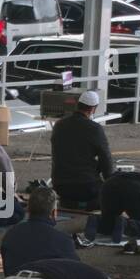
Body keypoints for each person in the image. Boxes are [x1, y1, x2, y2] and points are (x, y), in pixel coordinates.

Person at [52, 90, 113, 223]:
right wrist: (112, 183)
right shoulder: (94, 129)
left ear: (78, 105)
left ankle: (73, 204)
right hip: (86, 186)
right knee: (110, 195)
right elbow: (106, 159)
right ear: (93, 109)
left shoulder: (59, 125)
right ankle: (88, 207)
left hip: (60, 185)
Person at [0, 187, 77, 275]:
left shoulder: (10, 235)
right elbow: (75, 273)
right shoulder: (63, 241)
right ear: (53, 213)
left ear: (28, 210)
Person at [87, 169, 140, 246]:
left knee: (110, 221)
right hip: (135, 188)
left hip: (109, 184)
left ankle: (98, 222)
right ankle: (125, 224)